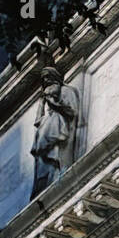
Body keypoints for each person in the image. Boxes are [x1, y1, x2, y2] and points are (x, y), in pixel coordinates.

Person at [30, 67, 80, 196]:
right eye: (43, 78)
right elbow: (37, 121)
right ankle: (43, 185)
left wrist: (53, 103)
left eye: (48, 76)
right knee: (43, 161)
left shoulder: (66, 90)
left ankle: (56, 175)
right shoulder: (46, 102)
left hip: (57, 128)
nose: (46, 80)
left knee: (54, 157)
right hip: (44, 132)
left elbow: (71, 111)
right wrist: (42, 103)